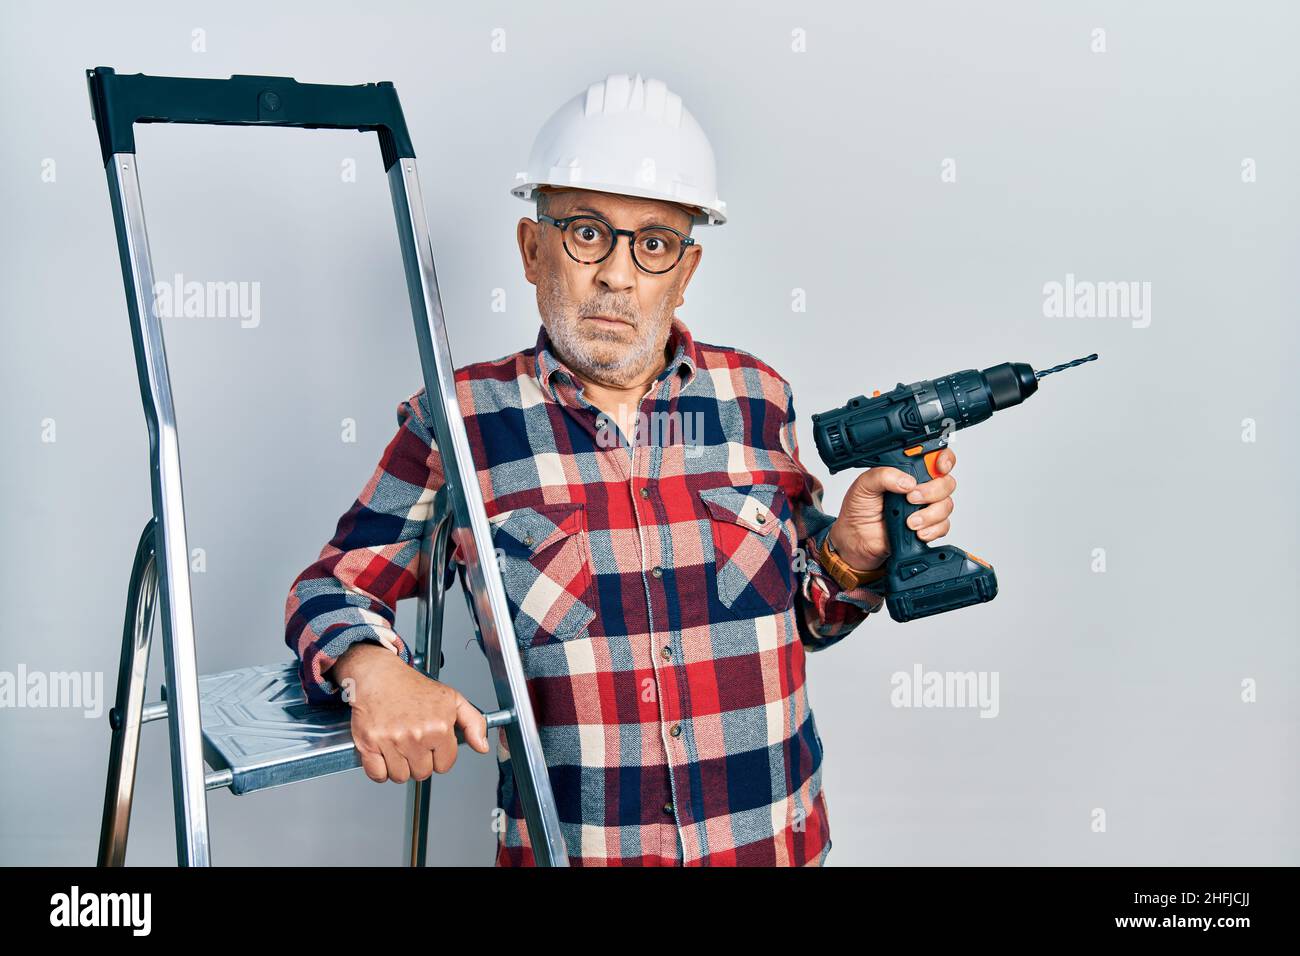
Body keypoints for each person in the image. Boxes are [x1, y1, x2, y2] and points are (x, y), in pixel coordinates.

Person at [283, 73, 957, 866]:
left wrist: (854, 552)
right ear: (534, 252)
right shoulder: (458, 421)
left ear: (686, 270)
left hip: (772, 846)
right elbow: (332, 586)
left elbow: (811, 611)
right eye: (587, 233)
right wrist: (370, 671)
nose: (617, 274)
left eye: (654, 243)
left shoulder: (757, 396)